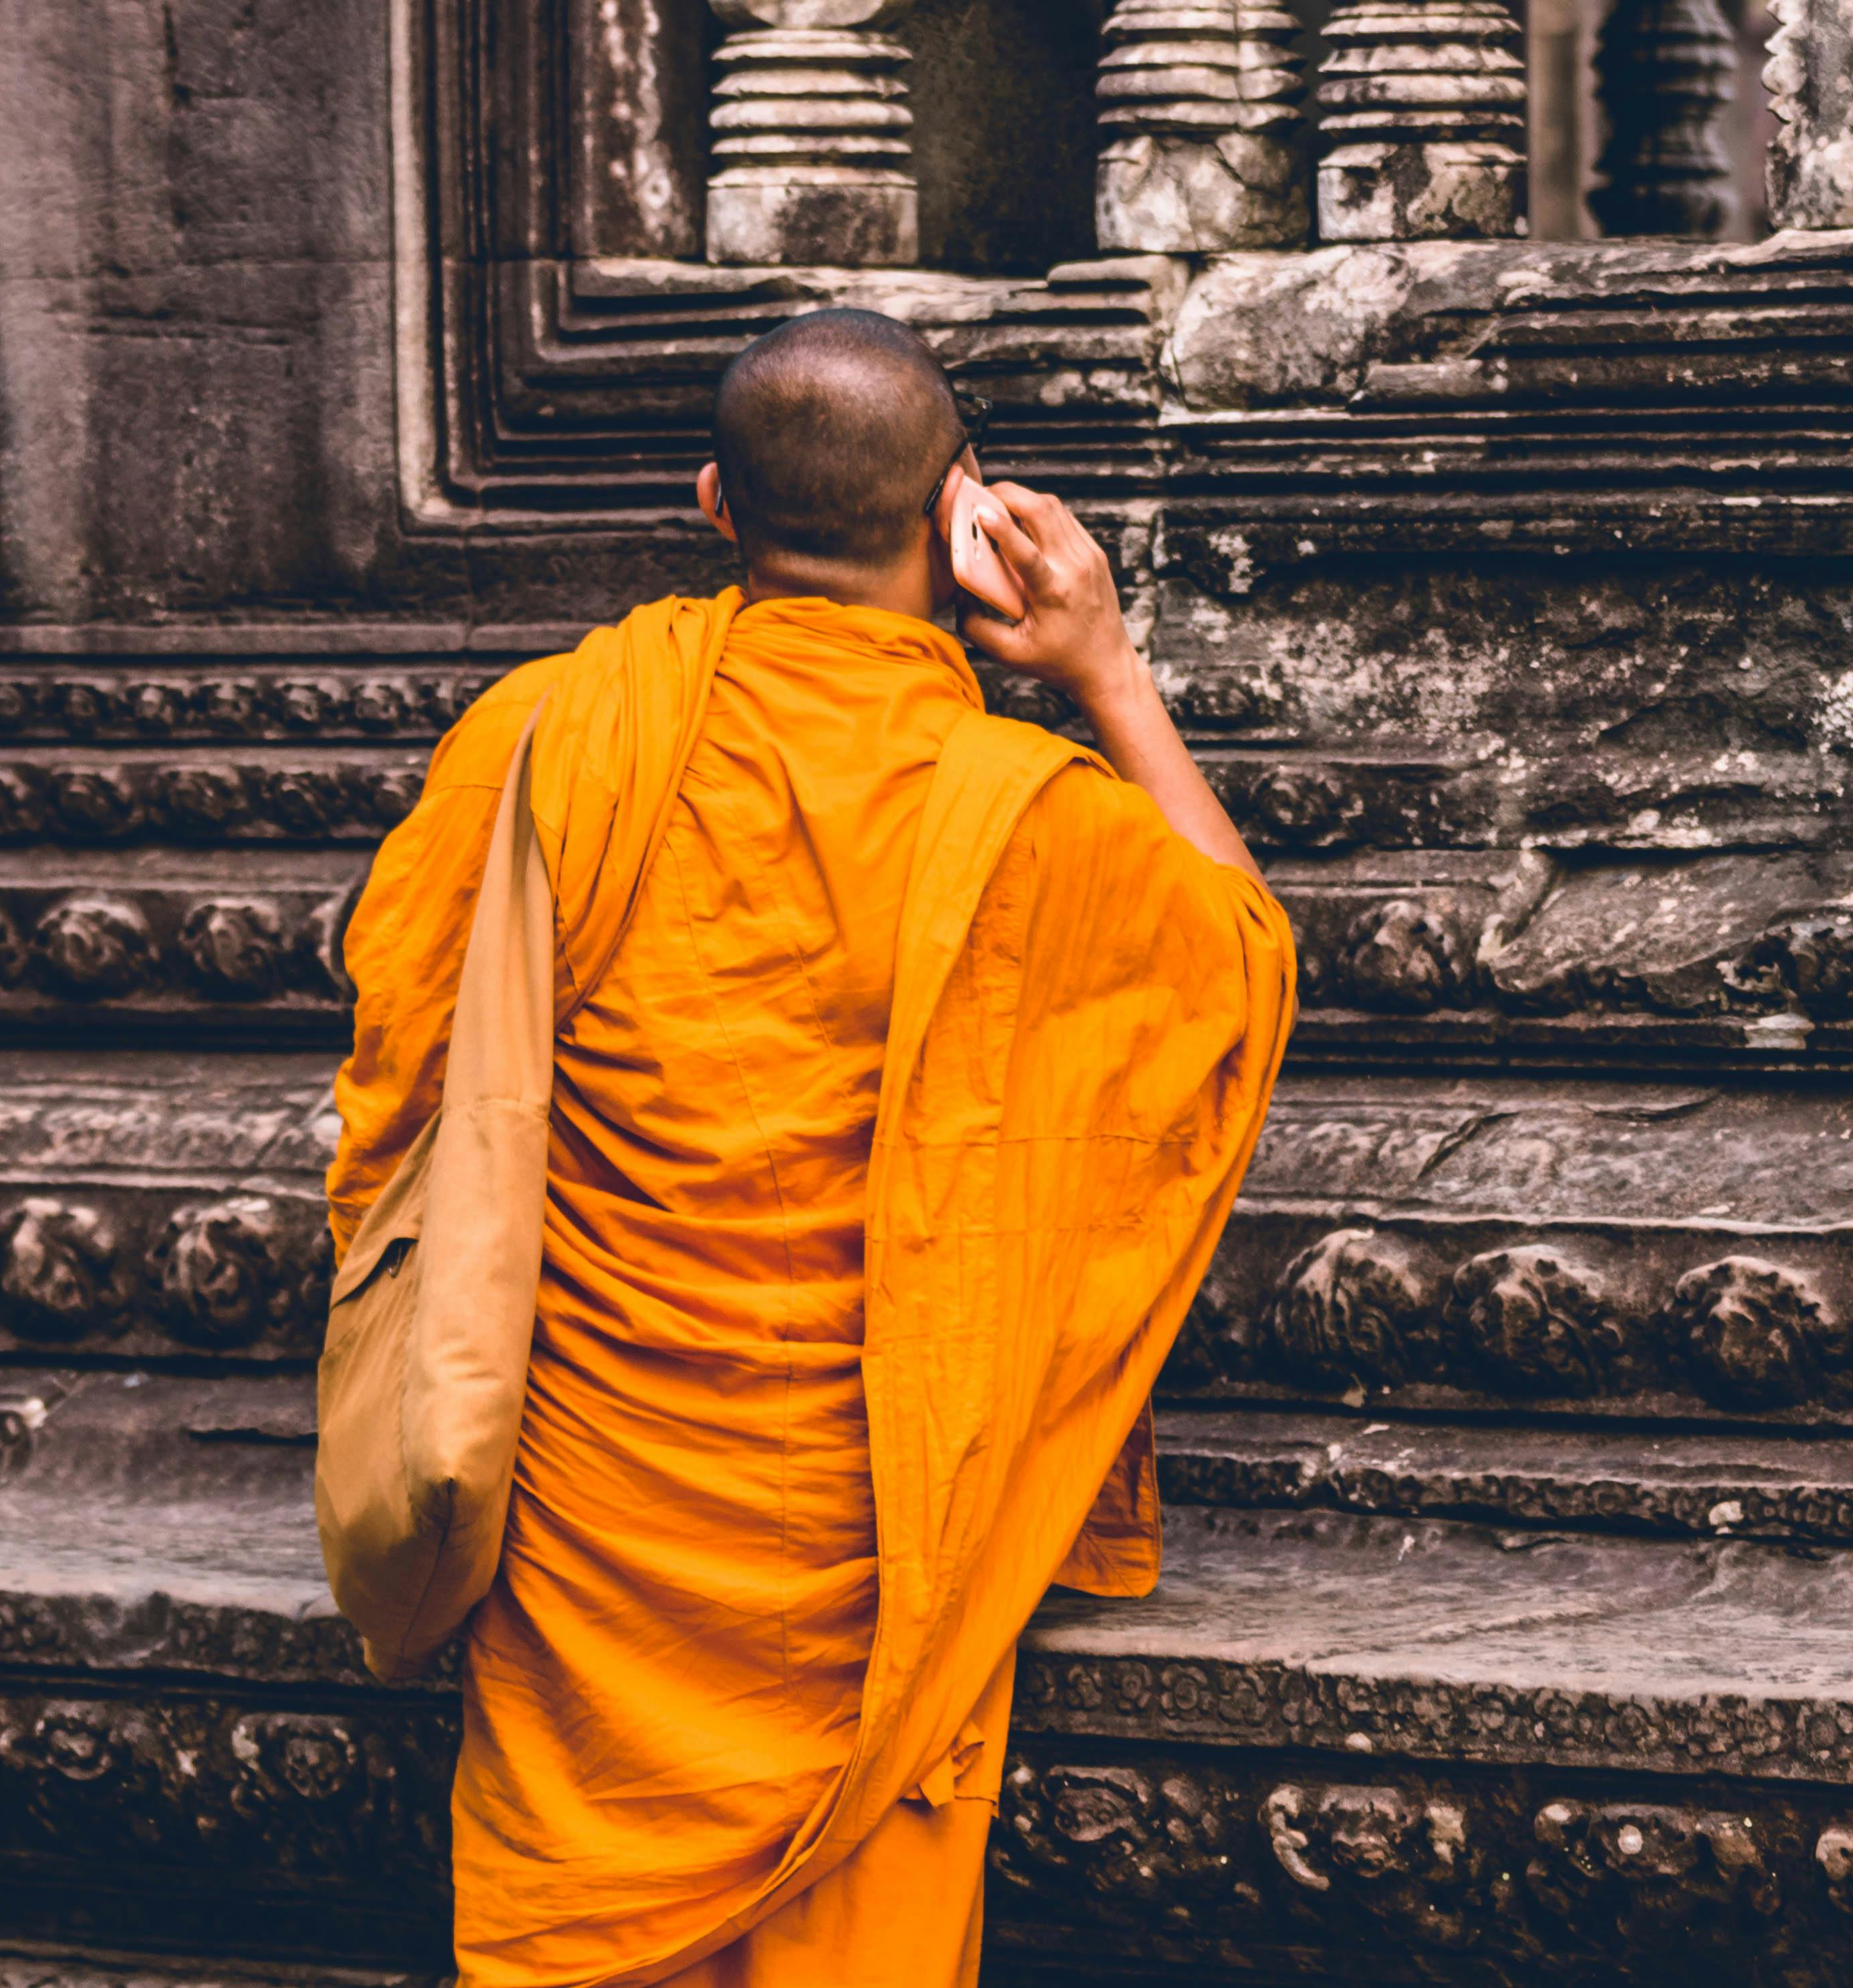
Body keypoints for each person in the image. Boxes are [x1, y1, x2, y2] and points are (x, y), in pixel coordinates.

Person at [327, 308, 1294, 1988]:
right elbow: (1238, 969)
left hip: (587, 1542)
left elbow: (402, 1094)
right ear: (959, 517)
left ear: (715, 502)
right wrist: (1102, 670)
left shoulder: (548, 740)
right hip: (872, 1548)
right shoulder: (1032, 809)